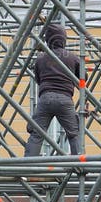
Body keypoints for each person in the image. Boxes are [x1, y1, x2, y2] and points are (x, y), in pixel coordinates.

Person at [24, 22, 81, 156]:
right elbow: (83, 78)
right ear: (63, 39)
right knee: (74, 134)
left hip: (45, 98)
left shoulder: (41, 58)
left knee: (36, 135)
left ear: (47, 39)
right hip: (65, 99)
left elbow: (38, 79)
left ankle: (28, 168)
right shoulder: (72, 57)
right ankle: (80, 166)